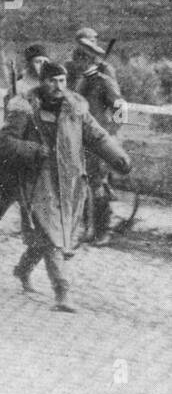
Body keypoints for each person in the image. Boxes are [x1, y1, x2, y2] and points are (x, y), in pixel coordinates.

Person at [0, 61, 132, 312]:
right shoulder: (24, 107)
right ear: (42, 81)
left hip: (69, 182)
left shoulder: (76, 106)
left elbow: (96, 135)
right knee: (52, 237)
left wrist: (118, 157)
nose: (58, 86)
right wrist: (34, 149)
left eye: (62, 80)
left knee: (48, 235)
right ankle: (62, 292)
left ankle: (22, 270)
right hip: (36, 182)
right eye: (52, 81)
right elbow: (4, 141)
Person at [0, 43, 50, 244]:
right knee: (10, 192)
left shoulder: (48, 84)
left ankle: (27, 231)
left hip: (38, 144)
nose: (41, 66)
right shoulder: (19, 86)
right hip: (19, 145)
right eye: (37, 61)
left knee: (30, 192)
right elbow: (9, 116)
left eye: (45, 62)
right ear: (29, 64)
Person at [69, 32, 126, 245]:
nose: (77, 61)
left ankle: (103, 231)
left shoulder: (103, 81)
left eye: (81, 57)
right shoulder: (80, 81)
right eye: (77, 57)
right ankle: (89, 229)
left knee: (98, 185)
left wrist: (110, 132)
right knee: (84, 184)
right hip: (80, 139)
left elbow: (120, 108)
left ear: (89, 59)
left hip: (99, 141)